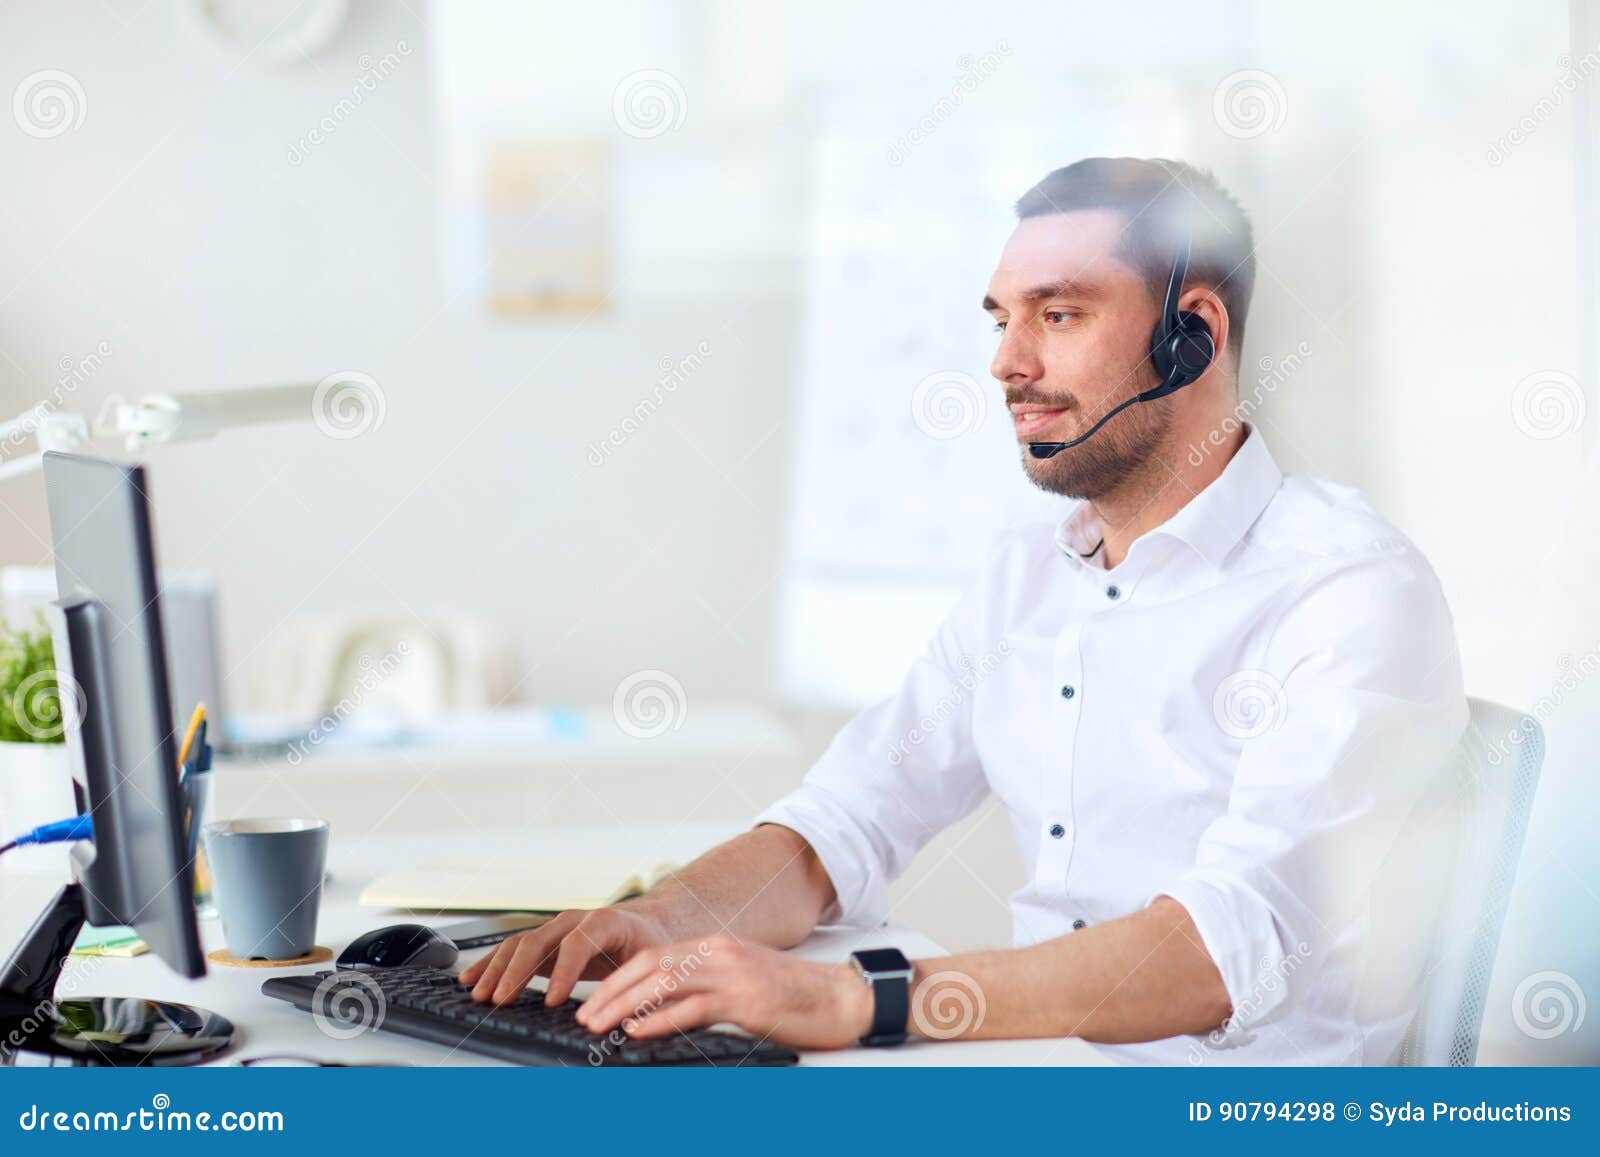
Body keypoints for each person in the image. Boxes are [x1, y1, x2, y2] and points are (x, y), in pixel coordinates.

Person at [461, 156, 1468, 1064]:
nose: (1005, 362)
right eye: (1000, 318)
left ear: (1190, 336)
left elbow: (1222, 944)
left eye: (1057, 314)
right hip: (1033, 1074)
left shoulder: (1346, 590)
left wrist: (861, 998)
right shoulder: (1027, 574)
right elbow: (850, 814)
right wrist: (665, 916)